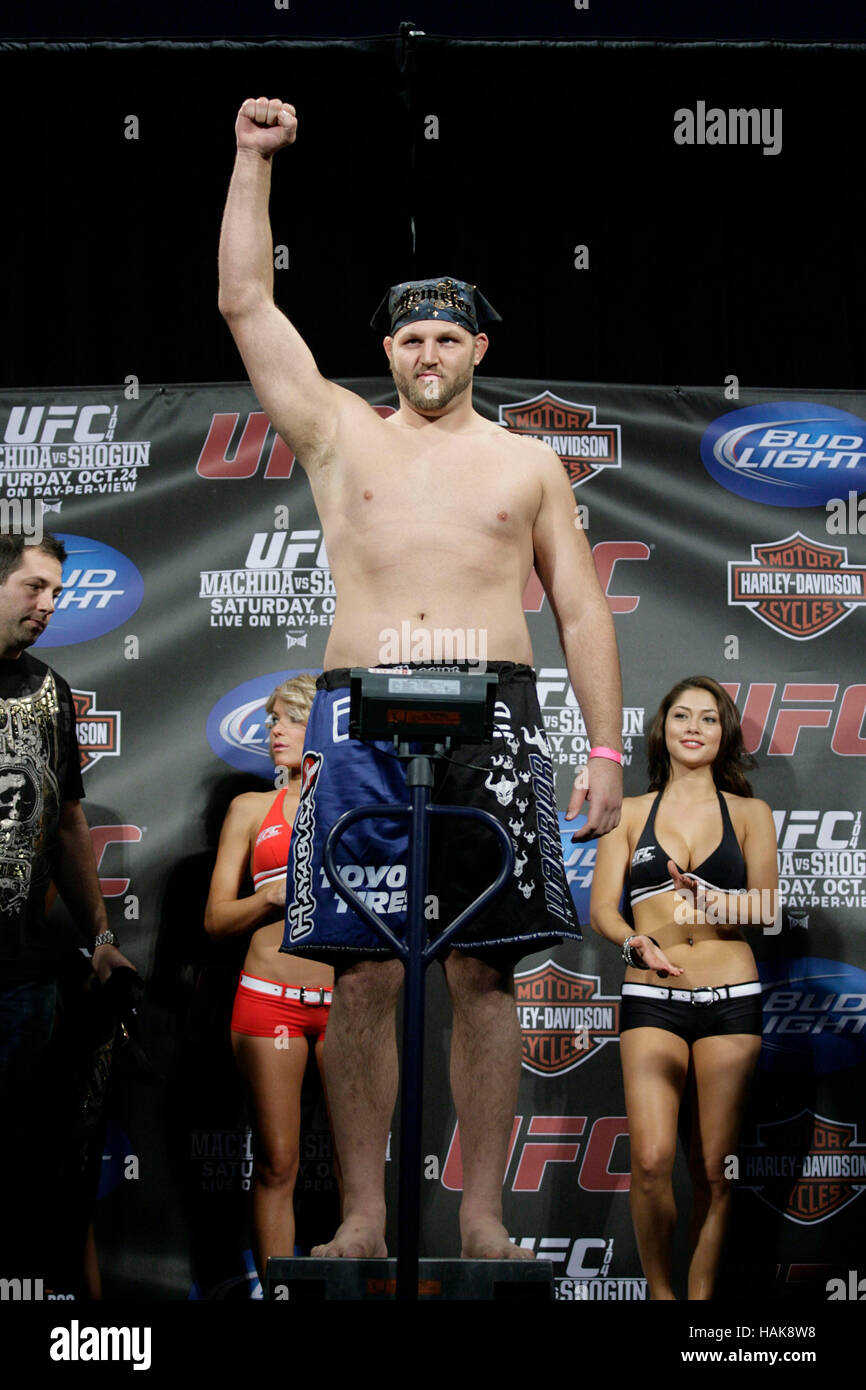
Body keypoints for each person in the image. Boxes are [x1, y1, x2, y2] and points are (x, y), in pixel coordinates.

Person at [218, 96, 624, 1261]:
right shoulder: (337, 433)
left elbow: (580, 609)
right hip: (358, 713)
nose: (427, 354)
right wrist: (251, 161)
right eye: (409, 340)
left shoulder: (528, 463)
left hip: (495, 715)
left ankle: (481, 1214)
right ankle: (360, 1214)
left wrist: (604, 750)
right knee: (360, 977)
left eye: (447, 338)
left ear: (478, 350)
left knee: (486, 976)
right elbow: (245, 302)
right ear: (387, 352)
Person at [589, 676, 778, 1300]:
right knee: (650, 1162)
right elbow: (603, 910)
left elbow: (769, 909)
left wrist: (717, 899)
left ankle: (699, 1304)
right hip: (652, 997)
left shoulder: (750, 814)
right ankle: (660, 1295)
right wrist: (633, 944)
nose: (694, 727)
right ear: (662, 729)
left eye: (708, 718)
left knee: (715, 1171)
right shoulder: (629, 812)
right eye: (682, 716)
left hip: (731, 1000)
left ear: (725, 734)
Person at [0, 532, 132, 1269]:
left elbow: (69, 822)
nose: (49, 605)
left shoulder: (49, 692)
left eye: (56, 592)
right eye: (34, 587)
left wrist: (101, 936)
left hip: (21, 972)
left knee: (21, 1159)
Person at [205, 674, 336, 1274]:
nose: (274, 730)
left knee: (358, 1168)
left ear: (322, 727)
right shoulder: (249, 809)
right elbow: (215, 919)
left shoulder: (359, 806)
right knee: (278, 1162)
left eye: (289, 718)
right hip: (269, 998)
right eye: (271, 720)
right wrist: (268, 899)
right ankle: (277, 1293)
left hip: (346, 1003)